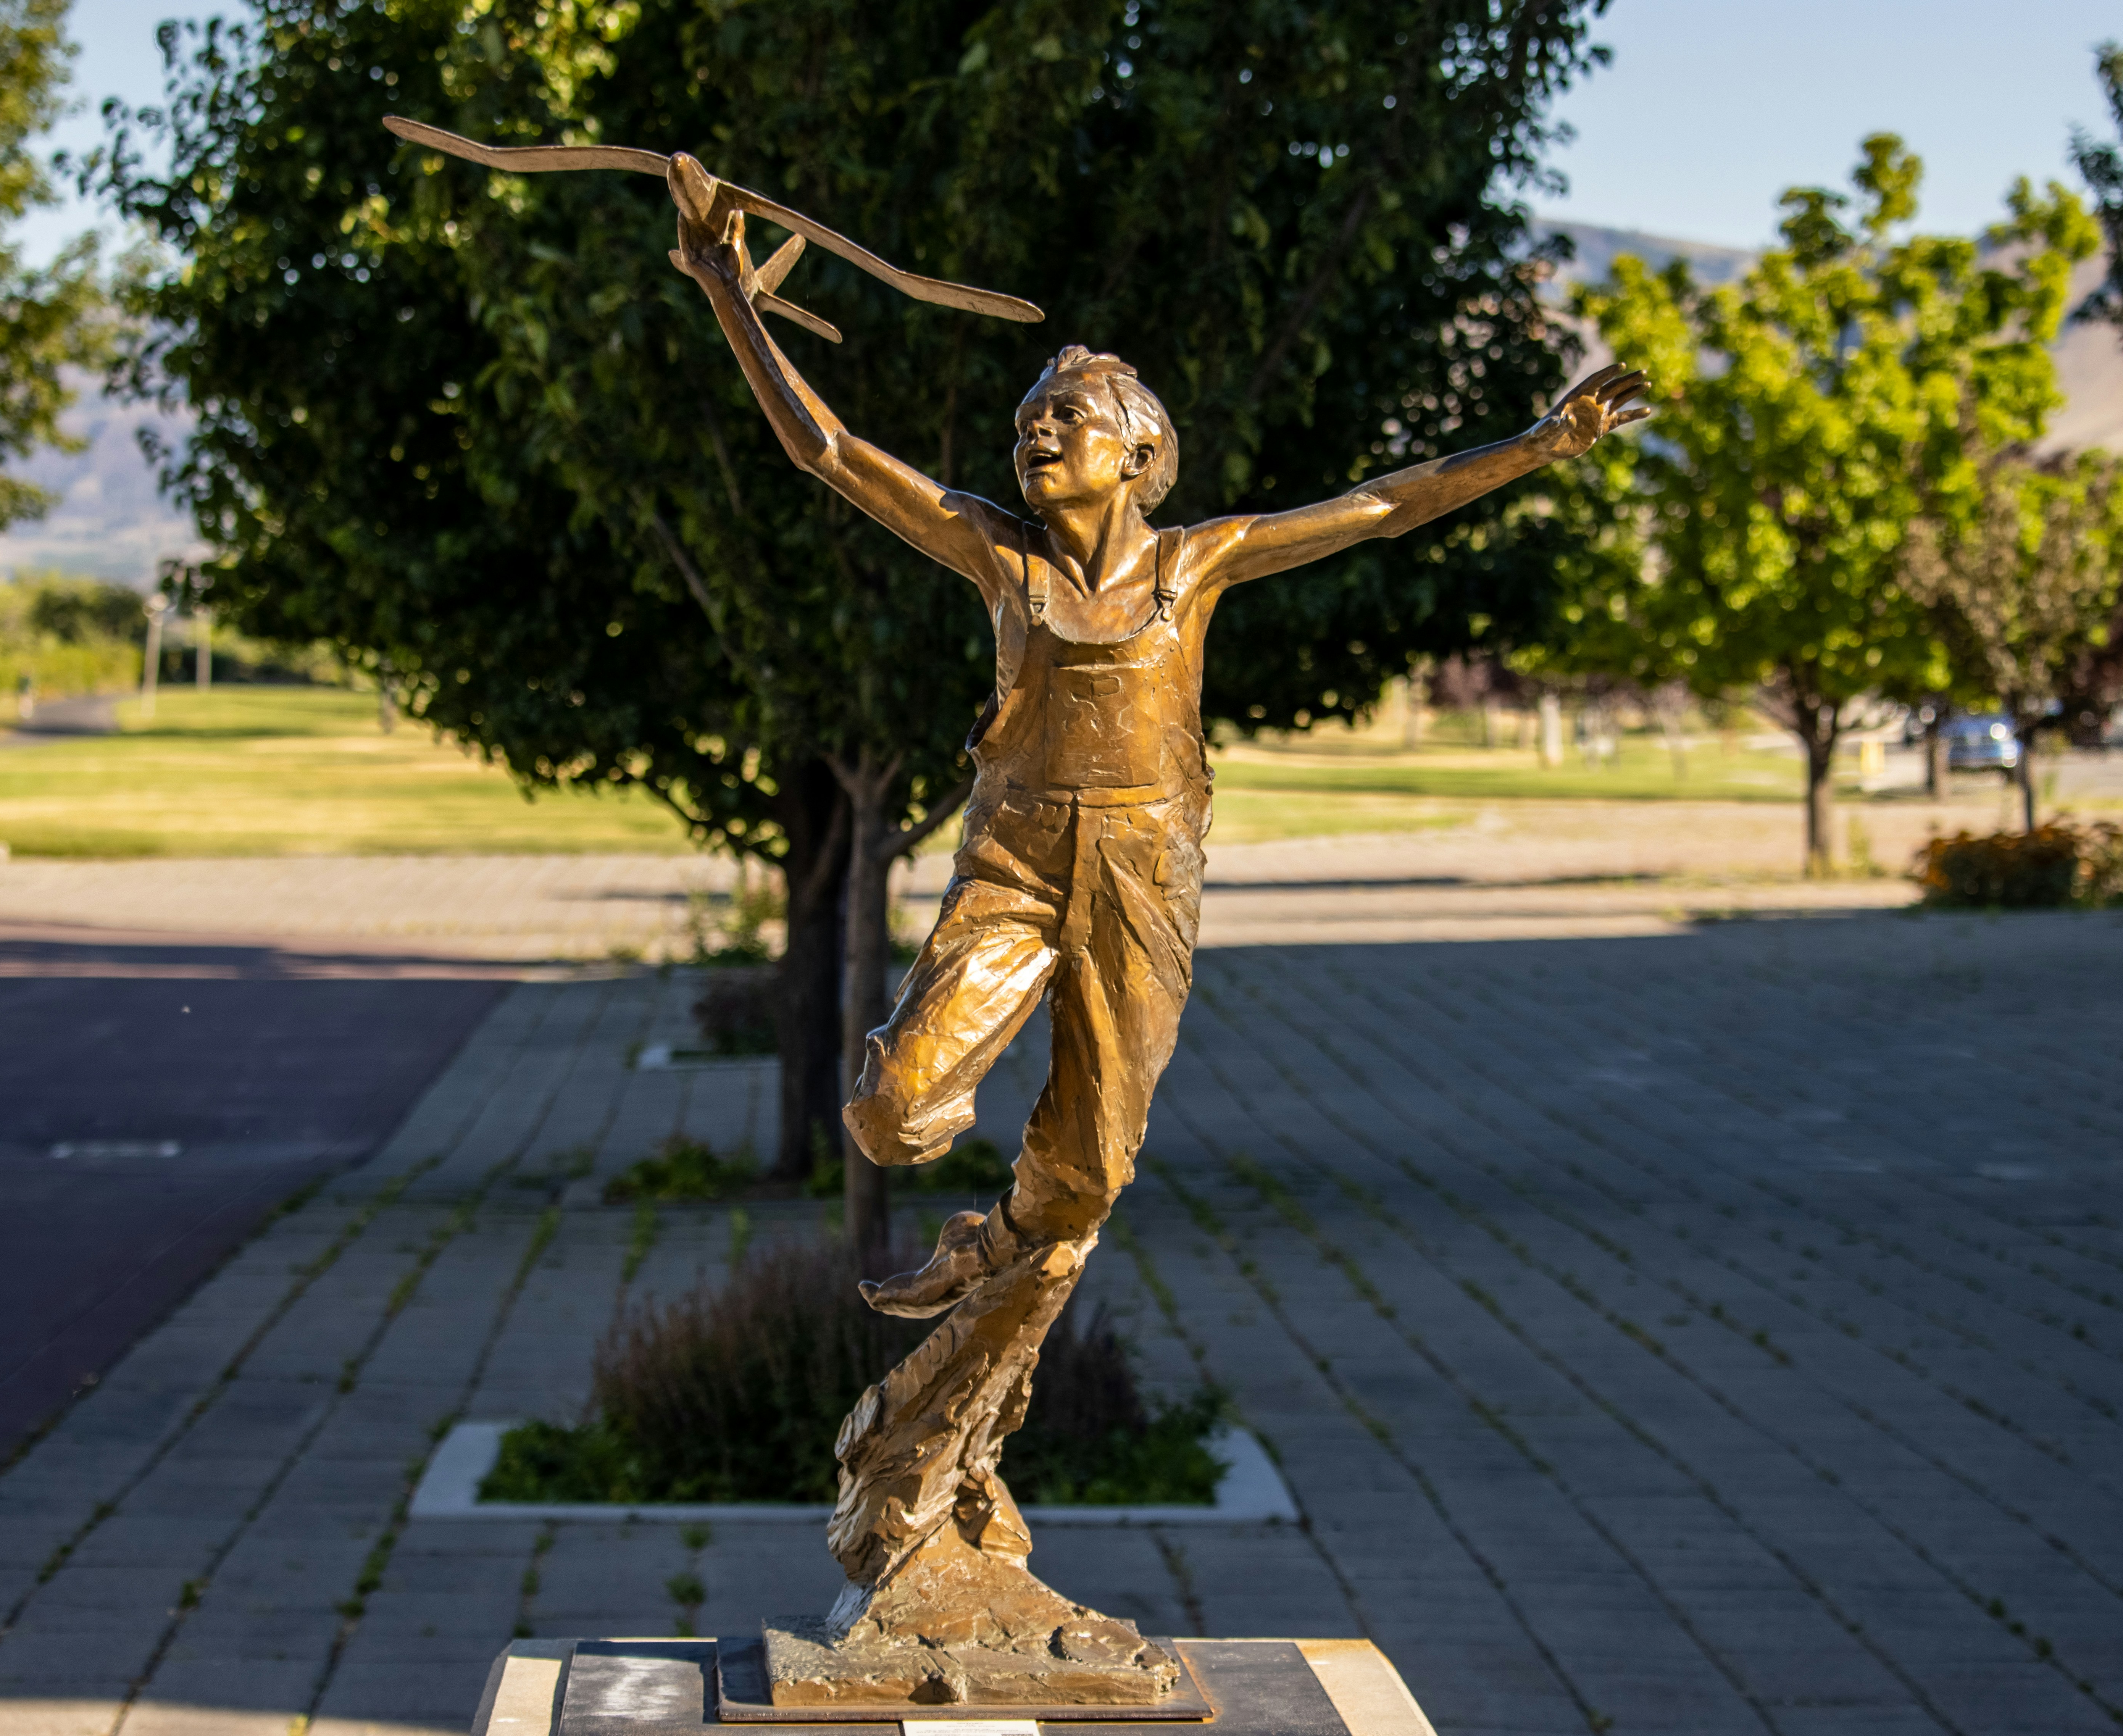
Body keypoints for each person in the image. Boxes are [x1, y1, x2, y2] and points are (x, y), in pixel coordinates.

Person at [676, 203, 1649, 1628]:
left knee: (1084, 1185)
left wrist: (1539, 446)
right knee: (890, 1112)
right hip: (1013, 864)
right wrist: (729, 294)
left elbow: (1382, 504)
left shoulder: (1195, 564)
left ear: (1140, 450)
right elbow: (825, 453)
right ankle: (980, 1271)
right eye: (1027, 419)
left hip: (1142, 875)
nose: (1034, 436)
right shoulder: (997, 556)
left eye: (1062, 415)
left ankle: (957, 1412)